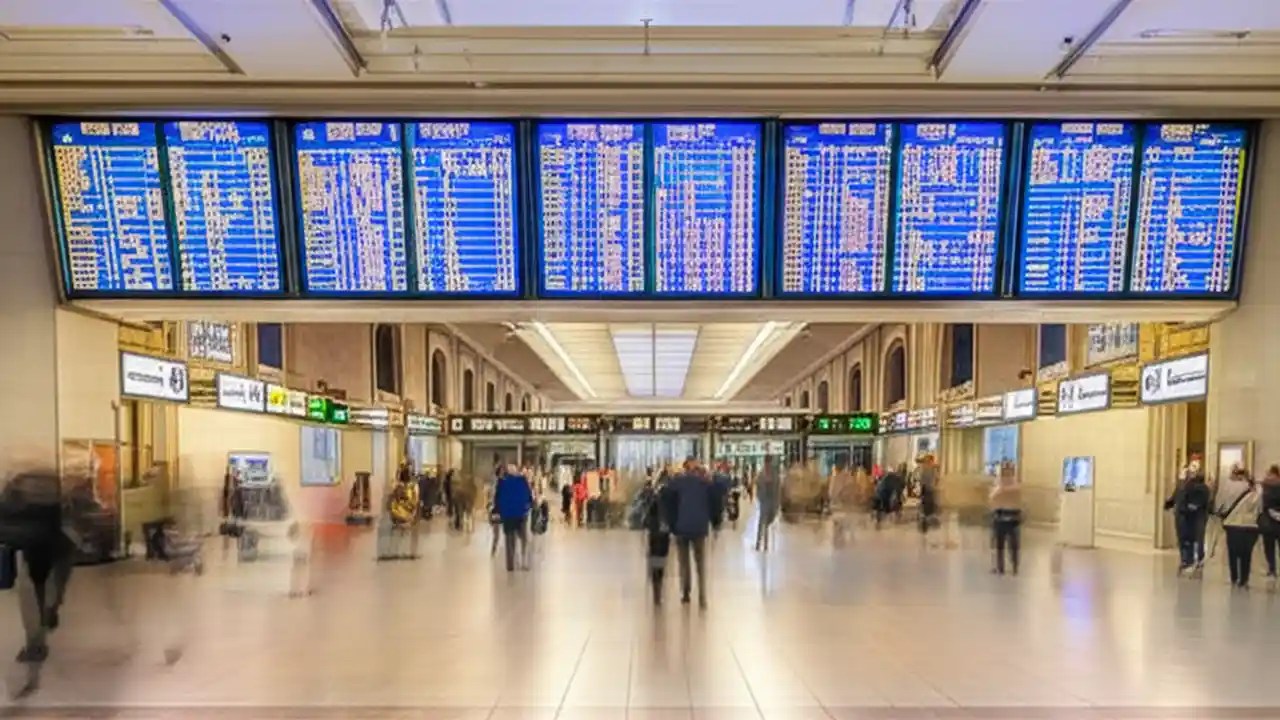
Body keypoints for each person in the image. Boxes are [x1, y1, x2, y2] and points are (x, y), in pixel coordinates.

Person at [662, 458, 718, 607]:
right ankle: (702, 596)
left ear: (685, 468)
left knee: (684, 563)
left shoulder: (678, 482)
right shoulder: (705, 483)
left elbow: (666, 497)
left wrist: (671, 523)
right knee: (700, 563)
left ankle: (686, 593)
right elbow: (717, 495)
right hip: (700, 527)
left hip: (682, 527)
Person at [1164, 462, 1211, 574]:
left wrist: (1182, 483)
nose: (1191, 470)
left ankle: (1195, 560)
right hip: (1181, 516)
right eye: (1191, 466)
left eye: (1195, 467)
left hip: (1195, 517)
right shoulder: (1183, 484)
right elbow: (1177, 496)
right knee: (1182, 539)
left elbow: (1196, 499)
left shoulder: (1200, 486)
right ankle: (1185, 560)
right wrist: (1169, 503)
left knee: (1193, 539)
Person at [1222, 471, 1261, 588]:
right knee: (1246, 554)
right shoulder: (1256, 492)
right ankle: (1244, 579)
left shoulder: (1229, 488)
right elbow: (1259, 509)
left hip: (1232, 524)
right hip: (1250, 526)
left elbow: (1223, 504)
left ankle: (1234, 577)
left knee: (1233, 553)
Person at [493, 465, 533, 572]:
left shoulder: (502, 483)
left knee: (509, 540)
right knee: (524, 537)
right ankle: (524, 560)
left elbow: (498, 498)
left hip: (508, 515)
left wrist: (498, 511)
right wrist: (528, 506)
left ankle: (510, 565)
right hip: (521, 514)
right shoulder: (522, 481)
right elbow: (529, 496)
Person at [641, 481, 671, 604]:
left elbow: (645, 521)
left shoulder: (653, 502)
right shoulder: (668, 506)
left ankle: (656, 590)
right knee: (661, 562)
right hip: (664, 536)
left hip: (654, 536)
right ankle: (658, 586)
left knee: (654, 562)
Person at [989, 466, 1022, 575]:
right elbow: (992, 499)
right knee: (999, 545)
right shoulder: (998, 486)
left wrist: (1001, 490)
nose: (1006, 476)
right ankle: (1000, 567)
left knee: (1013, 545)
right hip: (1000, 517)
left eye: (1009, 473)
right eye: (1005, 474)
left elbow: (1014, 494)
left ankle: (1014, 565)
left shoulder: (1014, 486)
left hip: (1012, 518)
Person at [755, 455, 782, 551]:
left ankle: (764, 542)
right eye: (767, 462)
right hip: (764, 501)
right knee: (762, 521)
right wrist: (759, 497)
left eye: (769, 462)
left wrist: (778, 502)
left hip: (772, 501)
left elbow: (778, 488)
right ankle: (759, 542)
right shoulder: (761, 474)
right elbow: (758, 486)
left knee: (769, 521)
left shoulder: (775, 474)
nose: (768, 464)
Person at [1259, 465, 1280, 580]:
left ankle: (1272, 569)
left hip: (1269, 520)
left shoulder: (1265, 485)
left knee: (1269, 546)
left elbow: (1263, 504)